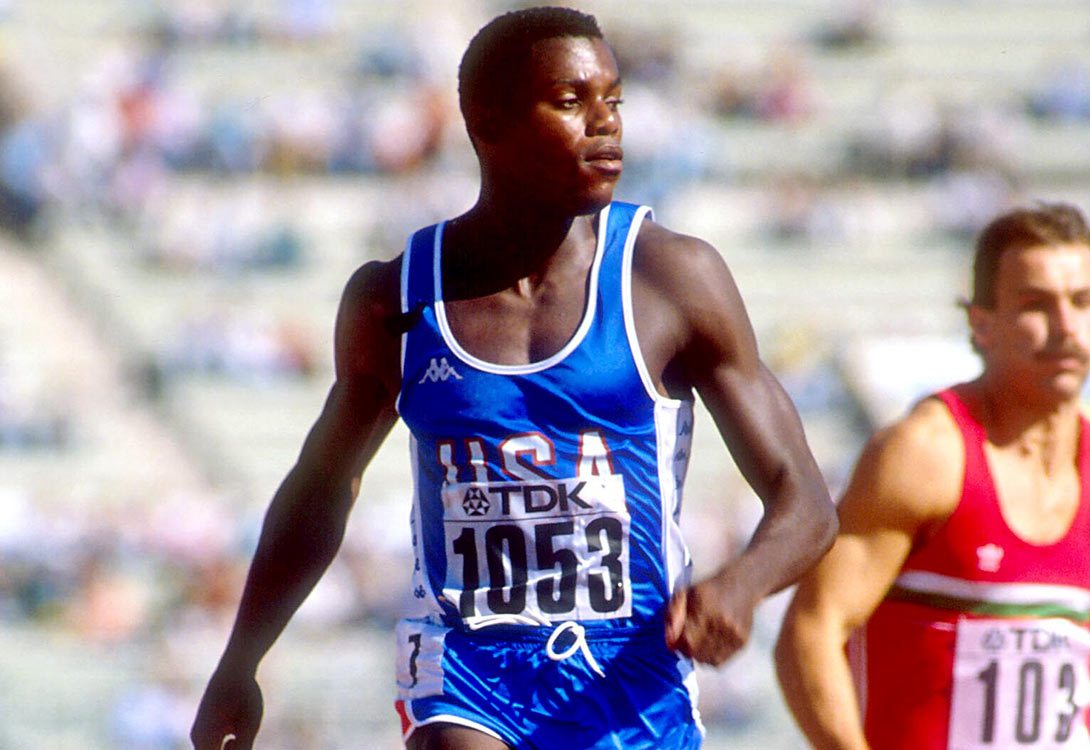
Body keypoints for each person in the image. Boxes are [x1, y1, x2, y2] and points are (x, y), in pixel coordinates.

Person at [190, 7, 837, 750]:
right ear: (485, 124)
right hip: (467, 670)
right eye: (571, 102)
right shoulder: (398, 298)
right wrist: (241, 659)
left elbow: (807, 500)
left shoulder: (671, 279)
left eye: (614, 100)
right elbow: (322, 485)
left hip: (630, 674)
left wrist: (742, 584)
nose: (606, 125)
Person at [774, 203, 1090, 750]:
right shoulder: (925, 455)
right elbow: (810, 633)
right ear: (982, 323)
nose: (1065, 327)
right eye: (1036, 305)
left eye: (1082, 301)